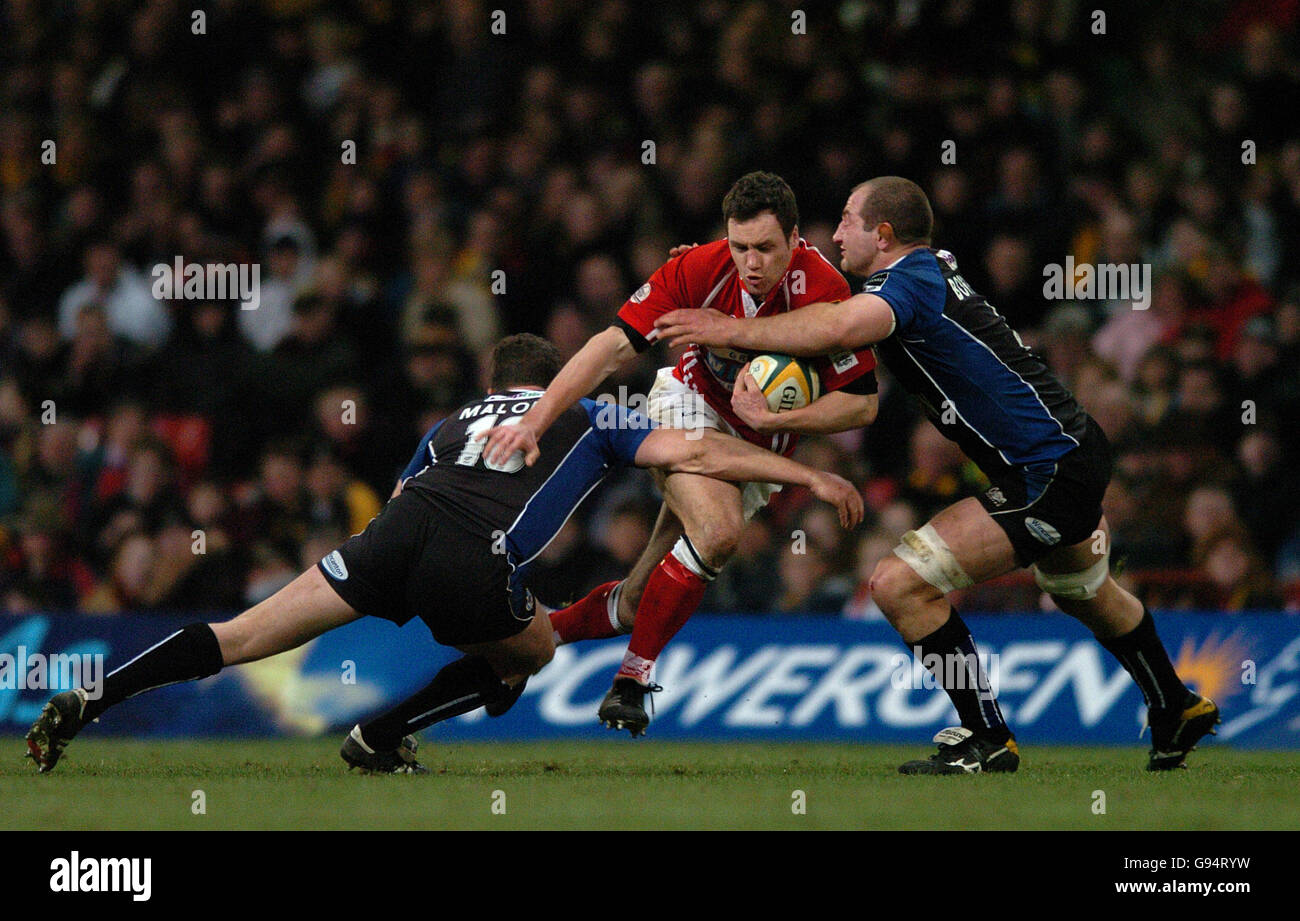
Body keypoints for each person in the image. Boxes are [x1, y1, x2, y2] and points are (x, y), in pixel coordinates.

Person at [25, 334, 862, 774]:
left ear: (498, 377)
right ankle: (380, 734)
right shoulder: (595, 415)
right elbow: (703, 456)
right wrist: (804, 476)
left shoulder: (451, 420)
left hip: (397, 531)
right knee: (529, 649)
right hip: (473, 551)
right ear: (557, 378)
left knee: (242, 634)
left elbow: (401, 498)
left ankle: (94, 699)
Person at [654, 177, 1219, 773]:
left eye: (848, 219)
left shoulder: (911, 280)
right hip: (1061, 456)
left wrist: (725, 328)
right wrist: (710, 266)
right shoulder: (921, 274)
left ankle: (988, 738)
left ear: (885, 234)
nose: (836, 232)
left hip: (1045, 470)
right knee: (1083, 591)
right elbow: (817, 298)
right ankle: (1174, 705)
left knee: (898, 584)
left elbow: (838, 327)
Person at [481, 172, 880, 736]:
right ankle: (632, 681)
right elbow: (609, 348)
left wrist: (782, 419)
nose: (751, 262)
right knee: (717, 533)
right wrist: (536, 419)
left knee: (641, 595)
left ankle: (523, 650)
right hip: (687, 406)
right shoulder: (698, 267)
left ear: (795, 239)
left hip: (756, 442)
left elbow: (861, 407)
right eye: (740, 247)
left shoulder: (827, 293)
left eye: (766, 248)